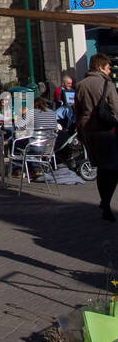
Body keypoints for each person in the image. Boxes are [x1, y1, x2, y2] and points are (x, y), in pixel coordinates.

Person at [75, 55, 118, 221]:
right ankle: (106, 202)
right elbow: (116, 107)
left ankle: (104, 200)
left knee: (101, 166)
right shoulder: (106, 83)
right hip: (106, 130)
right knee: (113, 167)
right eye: (108, 67)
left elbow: (77, 111)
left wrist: (80, 131)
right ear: (100, 67)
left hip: (88, 130)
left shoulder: (80, 85)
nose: (109, 71)